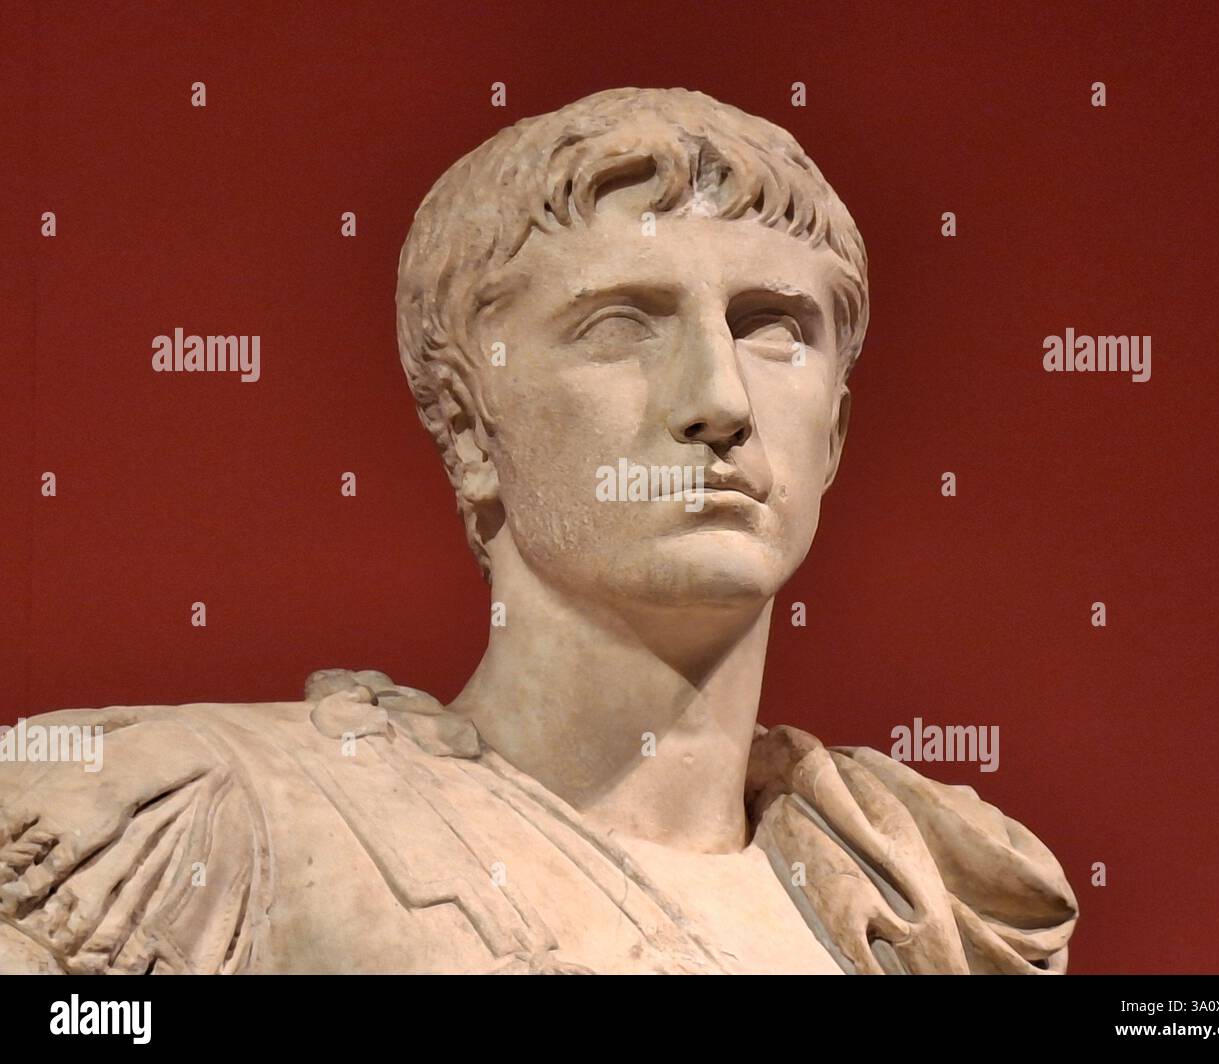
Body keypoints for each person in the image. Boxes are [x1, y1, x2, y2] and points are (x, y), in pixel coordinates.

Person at [0, 87, 1076, 975]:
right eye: (619, 326)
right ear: (471, 427)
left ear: (833, 433)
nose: (719, 398)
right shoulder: (205, 826)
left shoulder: (929, 904)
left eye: (771, 328)